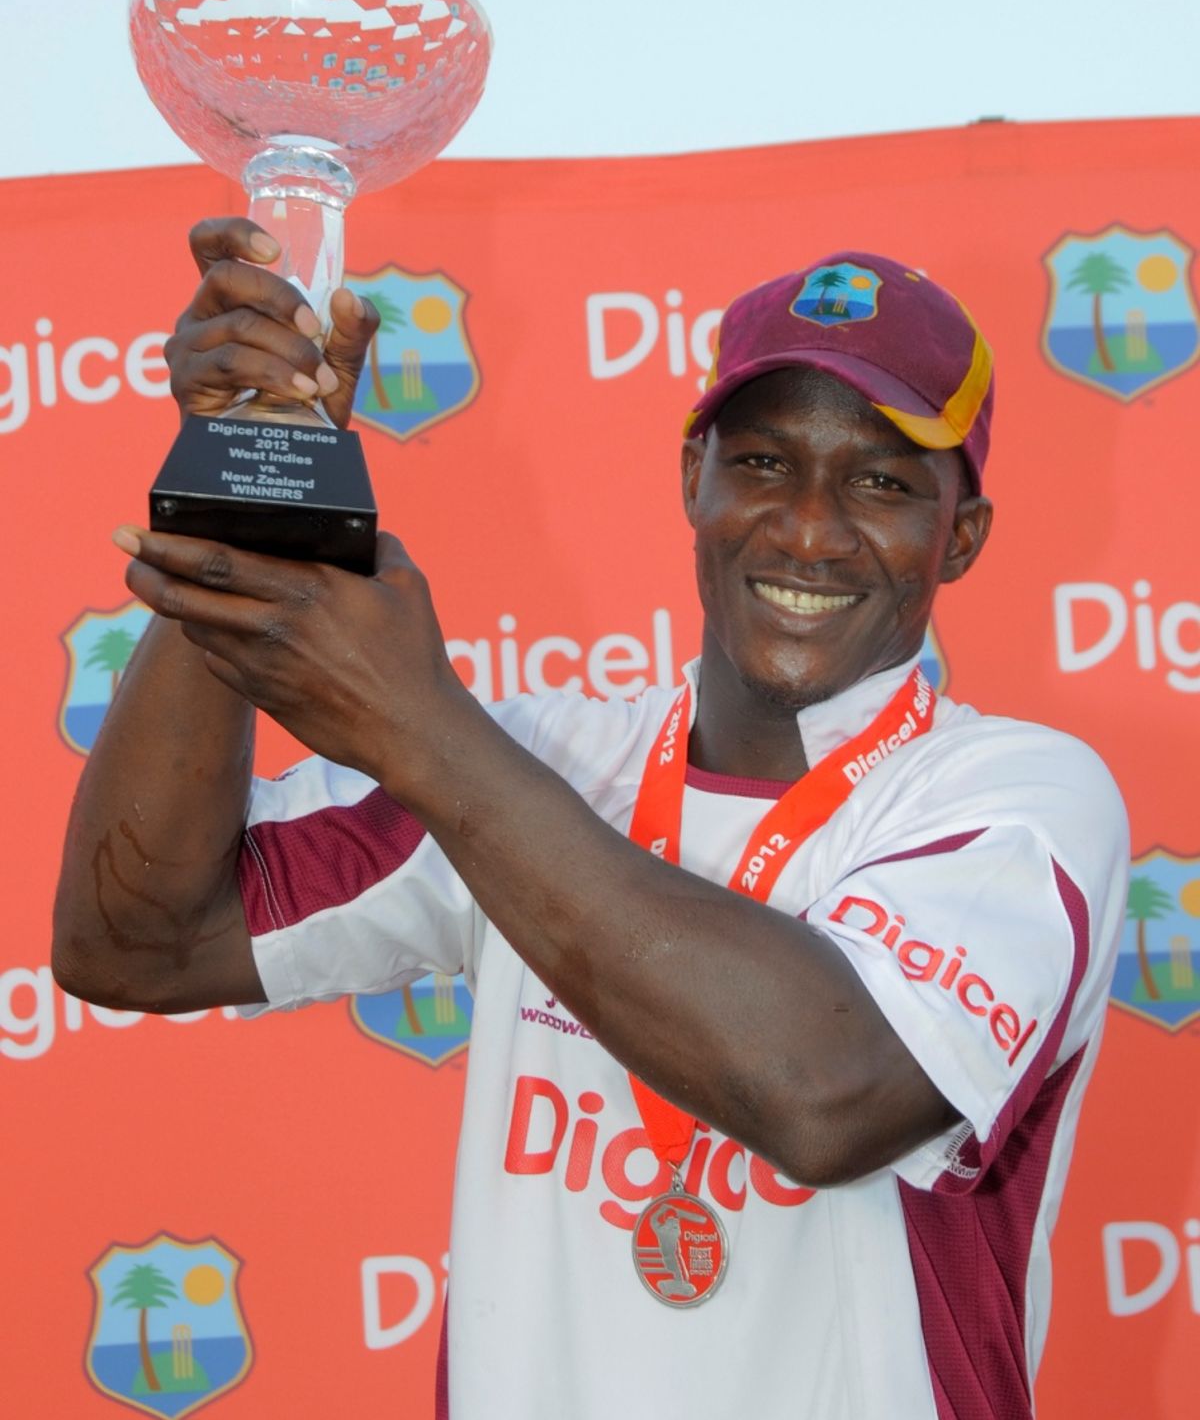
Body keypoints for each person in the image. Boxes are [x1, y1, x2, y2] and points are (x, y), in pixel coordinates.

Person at [53, 221, 1129, 1420]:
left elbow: (829, 1096)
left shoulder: (1013, 798)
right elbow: (135, 940)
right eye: (763, 463)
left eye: (882, 483)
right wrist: (244, 489)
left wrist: (423, 731)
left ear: (961, 537)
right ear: (693, 479)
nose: (810, 530)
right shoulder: (545, 760)